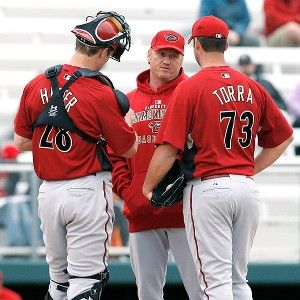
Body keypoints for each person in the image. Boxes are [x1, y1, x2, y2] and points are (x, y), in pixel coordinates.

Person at [143, 16, 293, 300]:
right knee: (238, 281)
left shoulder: (190, 87)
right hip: (246, 190)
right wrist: (250, 169)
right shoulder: (253, 85)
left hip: (208, 188)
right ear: (225, 45)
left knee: (215, 283)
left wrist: (148, 186)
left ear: (196, 45)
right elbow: (284, 137)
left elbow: (168, 148)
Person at [13, 11, 137, 300]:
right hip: (86, 190)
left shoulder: (37, 83)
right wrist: (125, 118)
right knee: (86, 282)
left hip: (48, 194)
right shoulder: (100, 92)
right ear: (106, 51)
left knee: (58, 284)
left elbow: (21, 142)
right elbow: (128, 148)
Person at [110, 30, 202, 299]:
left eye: (174, 56)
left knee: (201, 290)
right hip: (141, 213)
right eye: (161, 53)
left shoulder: (193, 95)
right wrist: (129, 192)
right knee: (148, 293)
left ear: (182, 59)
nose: (167, 60)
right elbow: (115, 152)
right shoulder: (127, 101)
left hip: (186, 212)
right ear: (149, 55)